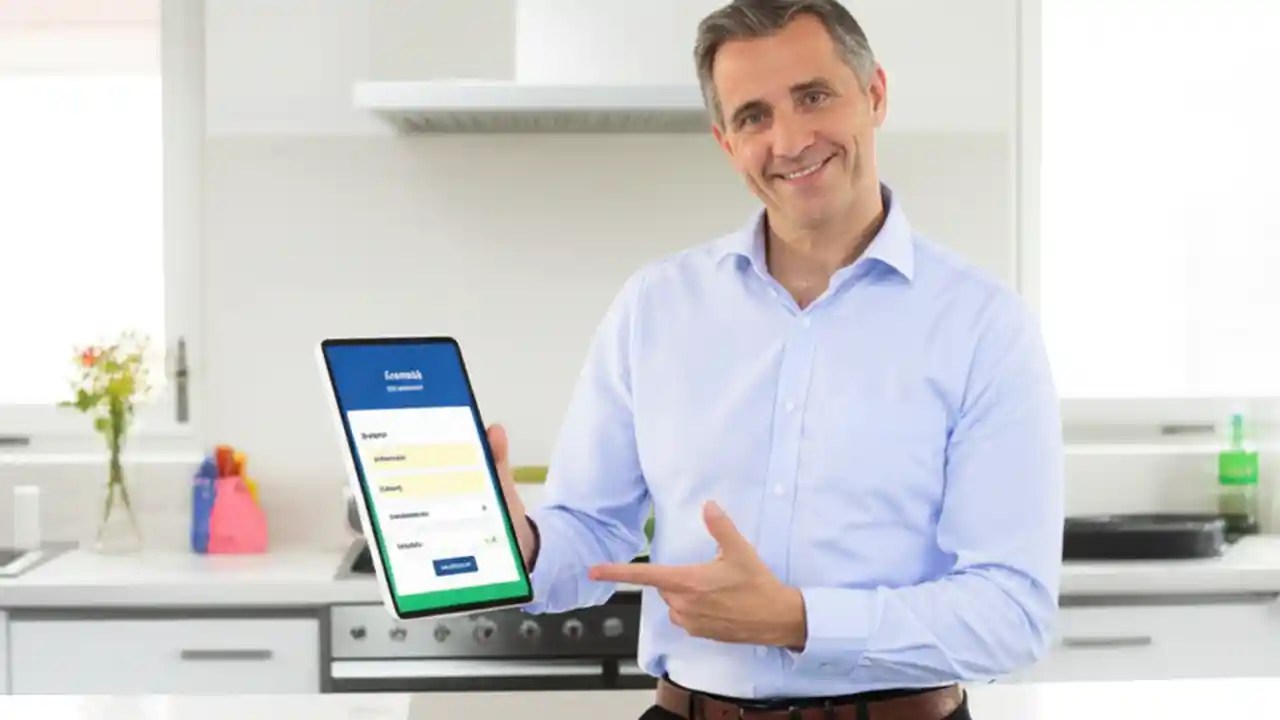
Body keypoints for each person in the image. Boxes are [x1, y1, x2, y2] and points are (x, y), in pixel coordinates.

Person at [487, 1, 1063, 718]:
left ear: (874, 95)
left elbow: (1011, 613)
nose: (789, 140)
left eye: (813, 97)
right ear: (726, 142)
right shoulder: (654, 306)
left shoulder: (984, 325)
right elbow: (591, 533)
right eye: (754, 116)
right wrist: (522, 543)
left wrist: (798, 620)